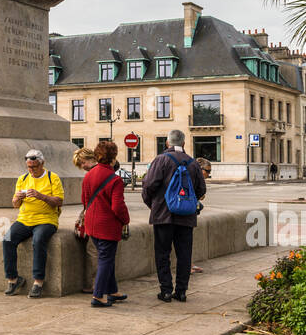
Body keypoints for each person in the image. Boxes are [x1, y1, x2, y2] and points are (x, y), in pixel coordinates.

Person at [142, 129, 206, 302]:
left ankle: (166, 290)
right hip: (186, 216)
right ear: (184, 143)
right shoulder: (193, 163)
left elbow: (148, 186)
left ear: (167, 143)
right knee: (184, 254)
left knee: (162, 253)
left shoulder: (161, 160)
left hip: (163, 216)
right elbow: (201, 190)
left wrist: (154, 205)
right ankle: (182, 291)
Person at [2, 149, 64, 298]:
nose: (32, 170)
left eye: (35, 167)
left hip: (46, 219)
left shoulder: (52, 178)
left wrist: (41, 196)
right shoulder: (23, 178)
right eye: (29, 167)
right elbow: (15, 205)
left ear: (42, 164)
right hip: (24, 219)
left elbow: (59, 201)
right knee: (7, 239)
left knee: (38, 240)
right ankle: (13, 279)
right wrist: (18, 198)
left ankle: (38, 281)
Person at [83, 141, 131, 307]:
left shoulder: (89, 174)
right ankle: (98, 296)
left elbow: (84, 200)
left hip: (91, 224)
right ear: (113, 158)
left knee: (106, 258)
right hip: (107, 226)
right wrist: (126, 220)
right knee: (105, 259)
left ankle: (112, 291)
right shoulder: (114, 179)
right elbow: (117, 206)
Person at [72, 146, 100, 293]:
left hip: (95, 220)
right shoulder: (107, 171)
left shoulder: (89, 176)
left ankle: (96, 285)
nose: (83, 167)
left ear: (91, 159)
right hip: (108, 220)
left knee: (93, 252)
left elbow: (85, 200)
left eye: (83, 163)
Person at [191, 158, 214, 273]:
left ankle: (189, 264)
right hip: (186, 213)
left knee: (187, 240)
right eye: (207, 171)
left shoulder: (195, 178)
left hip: (189, 212)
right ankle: (187, 266)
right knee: (185, 240)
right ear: (200, 169)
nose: (209, 174)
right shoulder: (192, 178)